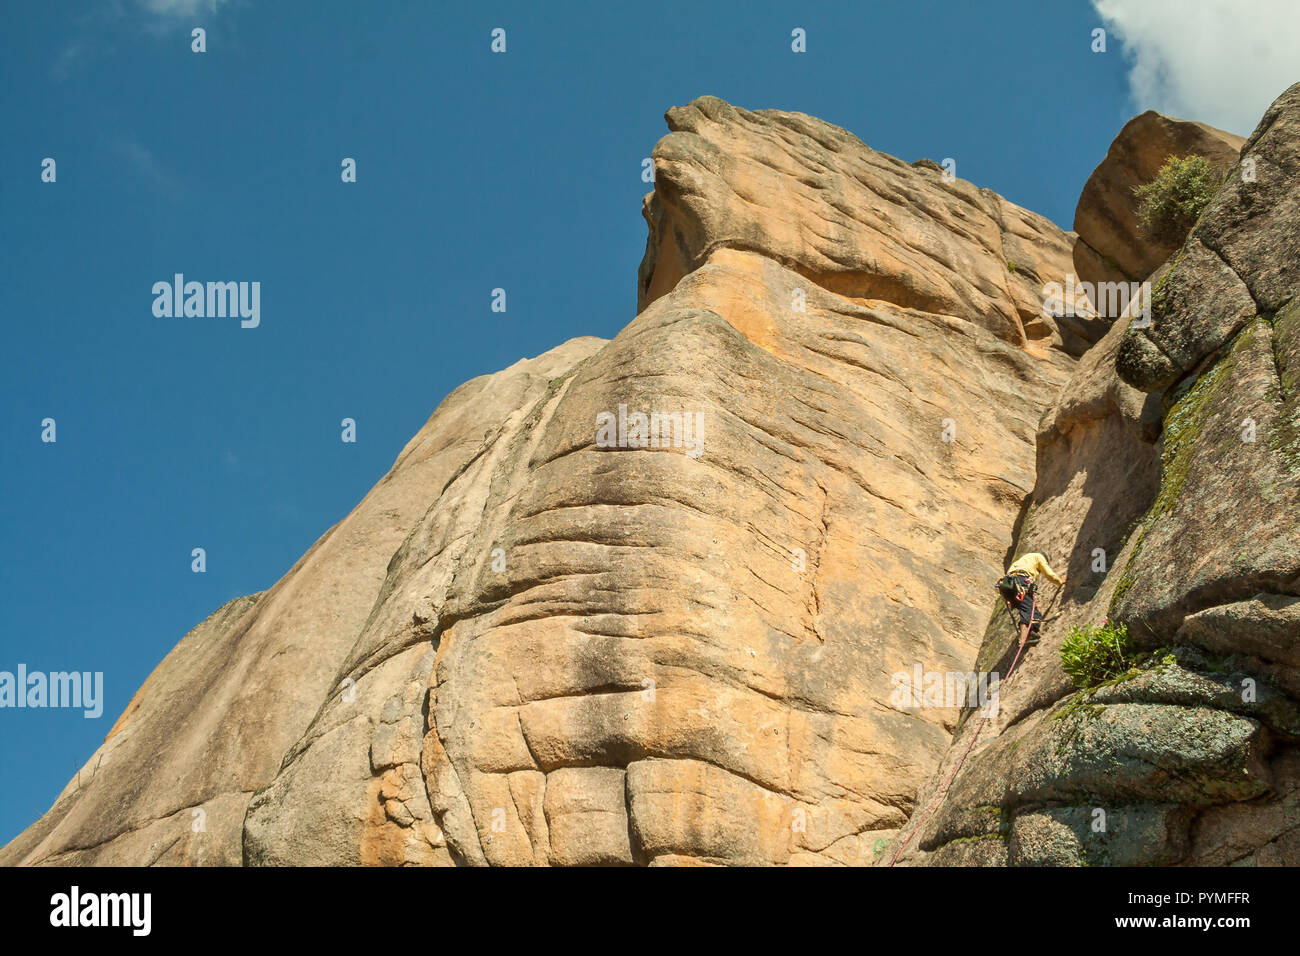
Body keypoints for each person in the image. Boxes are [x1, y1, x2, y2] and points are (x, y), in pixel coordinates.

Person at [996, 552, 1065, 647]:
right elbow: (1049, 575)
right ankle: (1023, 639)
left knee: (1029, 609)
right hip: (1019, 581)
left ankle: (1029, 632)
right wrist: (1060, 581)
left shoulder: (1021, 561)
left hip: (1006, 586)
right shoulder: (1039, 557)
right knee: (1028, 610)